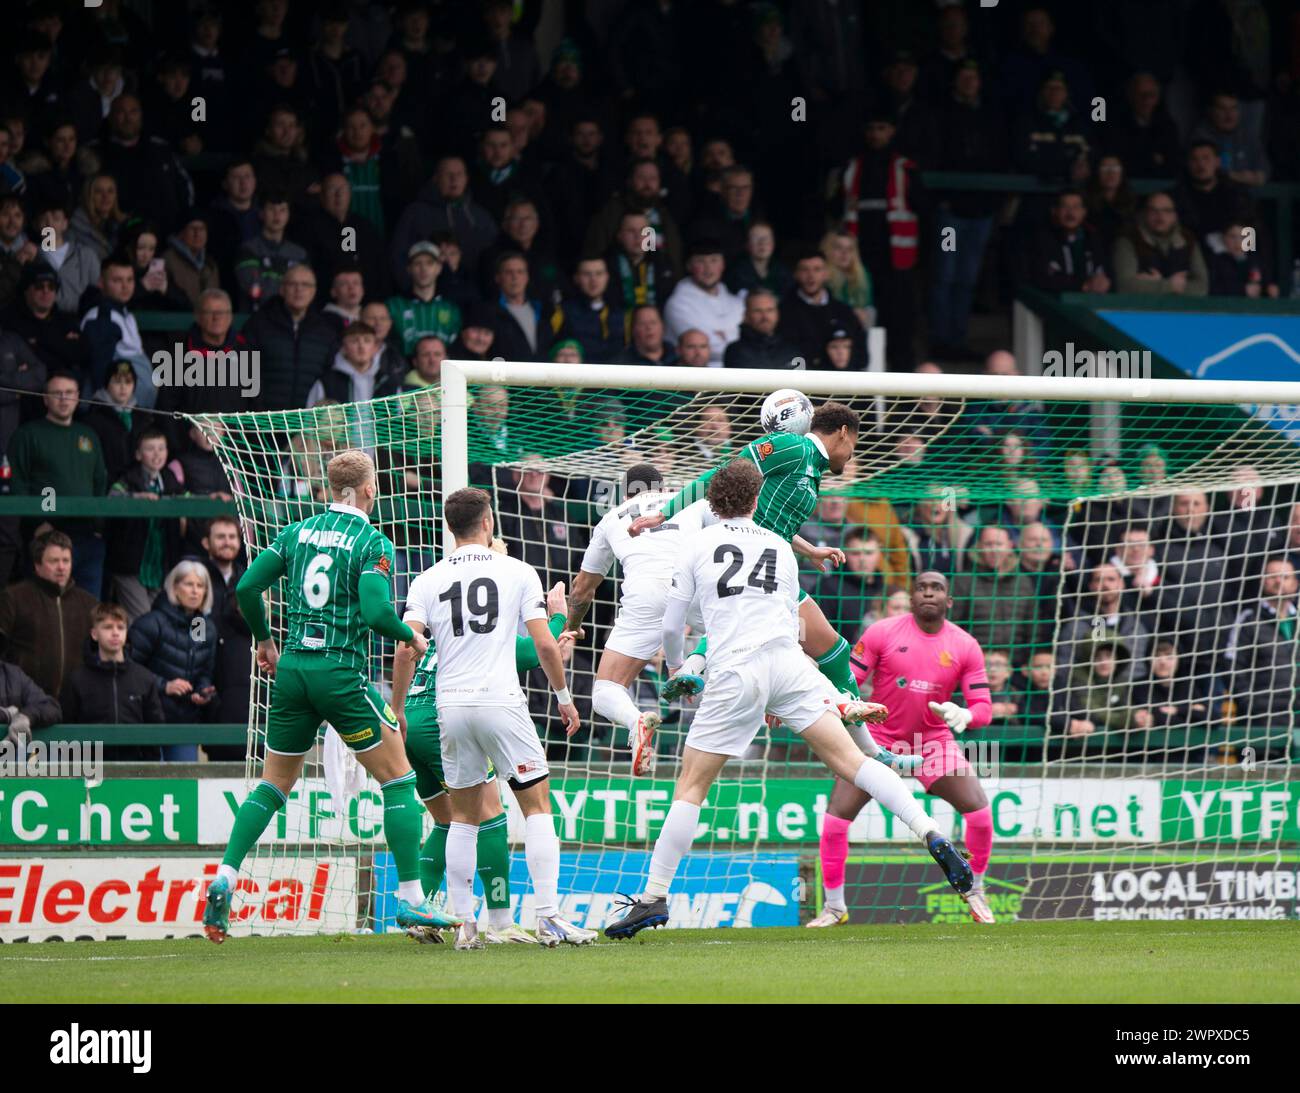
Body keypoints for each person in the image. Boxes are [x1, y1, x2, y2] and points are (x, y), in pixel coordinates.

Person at [605, 462, 972, 938]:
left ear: (710, 504)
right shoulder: (779, 545)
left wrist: (678, 667)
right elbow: (791, 623)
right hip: (787, 663)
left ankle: (653, 898)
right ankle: (930, 831)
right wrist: (778, 695)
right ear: (757, 501)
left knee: (692, 786)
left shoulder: (694, 544)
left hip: (735, 668)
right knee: (853, 762)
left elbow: (674, 627)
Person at [203, 450, 455, 943]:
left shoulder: (297, 532)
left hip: (293, 670)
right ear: (368, 489)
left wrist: (265, 640)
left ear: (327, 488)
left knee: (272, 786)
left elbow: (249, 587)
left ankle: (225, 877)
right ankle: (410, 900)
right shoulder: (372, 541)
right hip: (340, 673)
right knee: (400, 780)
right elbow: (377, 612)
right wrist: (413, 635)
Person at [400, 485, 593, 949]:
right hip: (500, 701)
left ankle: (466, 925)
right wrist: (565, 697)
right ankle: (548, 916)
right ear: (487, 522)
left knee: (462, 818)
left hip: (449, 707)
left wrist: (397, 707)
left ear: (451, 526)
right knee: (537, 806)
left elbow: (406, 645)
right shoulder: (517, 570)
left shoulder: (427, 578)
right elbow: (545, 644)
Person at [811, 569, 997, 925]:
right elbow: (849, 680)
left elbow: (984, 709)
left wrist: (966, 714)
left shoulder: (965, 645)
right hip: (877, 741)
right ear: (912, 598)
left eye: (937, 588)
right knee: (836, 818)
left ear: (949, 600)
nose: (929, 593)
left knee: (980, 813)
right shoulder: (882, 631)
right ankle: (834, 906)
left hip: (932, 742)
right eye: (922, 588)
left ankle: (975, 891)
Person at [563, 463, 714, 775]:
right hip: (694, 587)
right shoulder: (690, 502)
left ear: (624, 492)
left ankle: (636, 722)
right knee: (738, 637)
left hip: (645, 596)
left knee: (606, 690)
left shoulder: (610, 518)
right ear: (663, 488)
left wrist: (572, 628)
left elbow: (581, 591)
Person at [9, 372, 108, 594]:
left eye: (69, 393)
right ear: (45, 398)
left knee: (88, 608)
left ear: (78, 397)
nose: (64, 399)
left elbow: (100, 481)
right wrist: (37, 524)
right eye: (57, 393)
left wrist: (98, 526)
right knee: (44, 608)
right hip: (46, 535)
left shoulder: (88, 435)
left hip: (86, 536)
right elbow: (18, 483)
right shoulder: (28, 434)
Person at [127, 559, 218, 760]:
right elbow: (130, 668)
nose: (195, 591)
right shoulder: (152, 623)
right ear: (175, 588)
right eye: (188, 584)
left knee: (184, 782)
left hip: (185, 722)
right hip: (150, 720)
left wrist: (201, 690)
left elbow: (203, 670)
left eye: (200, 585)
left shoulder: (200, 625)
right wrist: (164, 686)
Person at [60, 602, 164, 761]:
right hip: (89, 773)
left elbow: (155, 729)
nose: (115, 633)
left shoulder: (144, 678)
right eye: (108, 627)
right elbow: (66, 730)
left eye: (121, 627)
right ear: (94, 634)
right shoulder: (77, 679)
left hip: (135, 770)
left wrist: (150, 769)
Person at [0, 529, 96, 699]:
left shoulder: (88, 603)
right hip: (25, 703)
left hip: (73, 706)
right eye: (54, 561)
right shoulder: (14, 598)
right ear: (37, 565)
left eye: (66, 561)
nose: (61, 567)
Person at [106, 427, 183, 621]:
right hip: (130, 564)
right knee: (142, 618)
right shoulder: (128, 478)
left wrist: (210, 498)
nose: (157, 454)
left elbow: (188, 498)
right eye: (150, 449)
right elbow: (112, 497)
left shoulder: (170, 479)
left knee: (157, 618)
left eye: (161, 448)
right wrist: (136, 497)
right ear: (138, 454)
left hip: (160, 563)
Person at [242, 264, 339, 411]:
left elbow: (330, 378)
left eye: (305, 285)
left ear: (314, 291)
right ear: (282, 289)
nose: (299, 289)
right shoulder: (258, 324)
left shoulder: (326, 331)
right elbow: (246, 371)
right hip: (264, 422)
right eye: (293, 284)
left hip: (308, 425)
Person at [779, 250, 865, 371]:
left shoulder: (844, 312)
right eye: (805, 270)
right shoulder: (783, 312)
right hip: (801, 384)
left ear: (826, 274)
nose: (811, 276)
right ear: (796, 274)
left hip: (842, 384)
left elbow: (861, 354)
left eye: (817, 269)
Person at [662, 239, 743, 366]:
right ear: (689, 266)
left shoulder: (736, 303)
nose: (708, 268)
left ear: (723, 265)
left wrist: (721, 336)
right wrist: (730, 334)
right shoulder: (677, 304)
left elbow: (744, 345)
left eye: (714, 260)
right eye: (701, 261)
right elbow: (712, 348)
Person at [1113, 193, 1209, 296]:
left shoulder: (1188, 240)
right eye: (1153, 210)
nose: (1160, 216)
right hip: (1142, 309)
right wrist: (1170, 286)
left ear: (1174, 216)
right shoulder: (1129, 240)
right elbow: (1124, 286)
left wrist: (1155, 285)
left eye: (1167, 210)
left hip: (1182, 309)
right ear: (1145, 213)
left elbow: (1202, 288)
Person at [235, 189, 308, 311]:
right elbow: (254, 288)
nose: (277, 215)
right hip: (256, 318)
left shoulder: (299, 254)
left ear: (288, 215)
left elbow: (306, 289)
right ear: (261, 213)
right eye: (271, 209)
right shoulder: (248, 250)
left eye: (282, 210)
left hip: (290, 318)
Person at [386, 240, 461, 355]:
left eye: (430, 263)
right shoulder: (393, 306)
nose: (423, 269)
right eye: (417, 263)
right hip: (402, 370)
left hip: (442, 371)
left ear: (439, 268)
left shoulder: (452, 308)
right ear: (409, 269)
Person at [722, 289, 801, 370]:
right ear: (746, 315)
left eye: (769, 310)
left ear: (777, 313)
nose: (765, 316)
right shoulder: (735, 352)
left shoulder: (791, 349)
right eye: (758, 311)